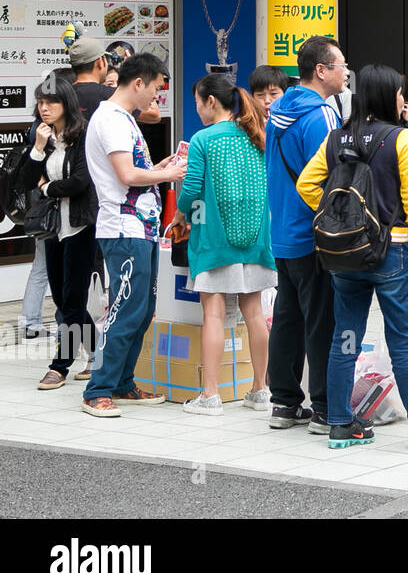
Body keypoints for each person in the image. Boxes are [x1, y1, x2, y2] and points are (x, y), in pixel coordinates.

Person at [297, 65, 408, 451]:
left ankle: (341, 424)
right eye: (398, 93)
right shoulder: (399, 139)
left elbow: (307, 183)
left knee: (345, 338)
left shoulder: (336, 136)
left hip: (346, 254)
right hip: (393, 251)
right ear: (386, 96)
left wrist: (335, 218)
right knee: (403, 342)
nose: (403, 100)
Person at [80, 53, 187, 417]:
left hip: (140, 228)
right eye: (156, 88)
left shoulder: (123, 119)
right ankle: (98, 390)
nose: (156, 97)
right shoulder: (111, 119)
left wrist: (157, 169)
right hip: (123, 229)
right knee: (126, 309)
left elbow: (132, 171)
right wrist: (166, 176)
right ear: (138, 83)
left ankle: (123, 383)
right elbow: (126, 176)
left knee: (141, 311)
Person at [175, 75, 273, 415]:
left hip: (215, 238)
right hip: (257, 237)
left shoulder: (204, 139)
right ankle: (260, 390)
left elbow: (189, 190)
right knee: (255, 313)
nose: (197, 108)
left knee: (213, 314)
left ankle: (210, 395)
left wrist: (179, 213)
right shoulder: (258, 132)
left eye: (197, 102)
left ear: (211, 102)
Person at [264, 36, 347, 433]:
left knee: (287, 317)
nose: (346, 71)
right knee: (321, 320)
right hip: (316, 233)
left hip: (281, 229)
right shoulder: (321, 116)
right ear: (322, 70)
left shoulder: (277, 109)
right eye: (341, 64)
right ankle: (326, 408)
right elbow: (332, 176)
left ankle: (283, 402)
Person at [19, 80, 97, 388]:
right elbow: (25, 179)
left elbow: (80, 181)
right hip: (52, 228)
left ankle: (60, 366)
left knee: (73, 298)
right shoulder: (42, 135)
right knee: (65, 300)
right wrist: (38, 148)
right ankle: (97, 354)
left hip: (79, 224)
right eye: (40, 103)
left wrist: (46, 187)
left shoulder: (82, 135)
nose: (44, 108)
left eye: (50, 102)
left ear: (65, 103)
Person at [67, 34, 113, 121]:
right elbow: (146, 114)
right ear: (99, 62)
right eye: (105, 58)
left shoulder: (63, 95)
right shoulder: (110, 94)